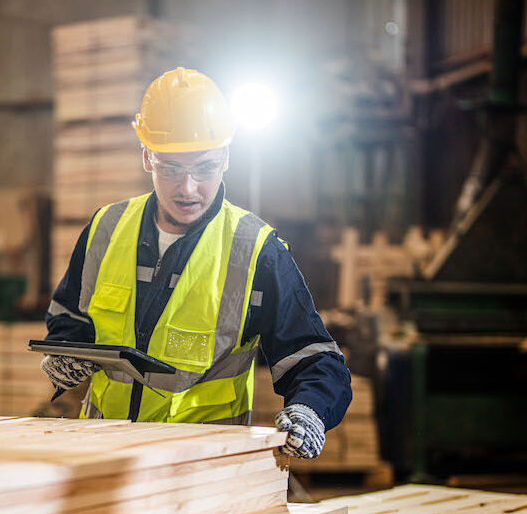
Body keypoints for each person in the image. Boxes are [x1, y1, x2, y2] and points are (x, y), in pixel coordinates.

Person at [42, 67, 352, 458]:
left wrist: (310, 410)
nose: (187, 188)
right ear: (147, 157)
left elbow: (314, 359)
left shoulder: (256, 251)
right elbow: (69, 319)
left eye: (204, 168)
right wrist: (66, 351)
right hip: (102, 456)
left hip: (202, 468)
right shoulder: (105, 229)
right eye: (171, 168)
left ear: (225, 158)